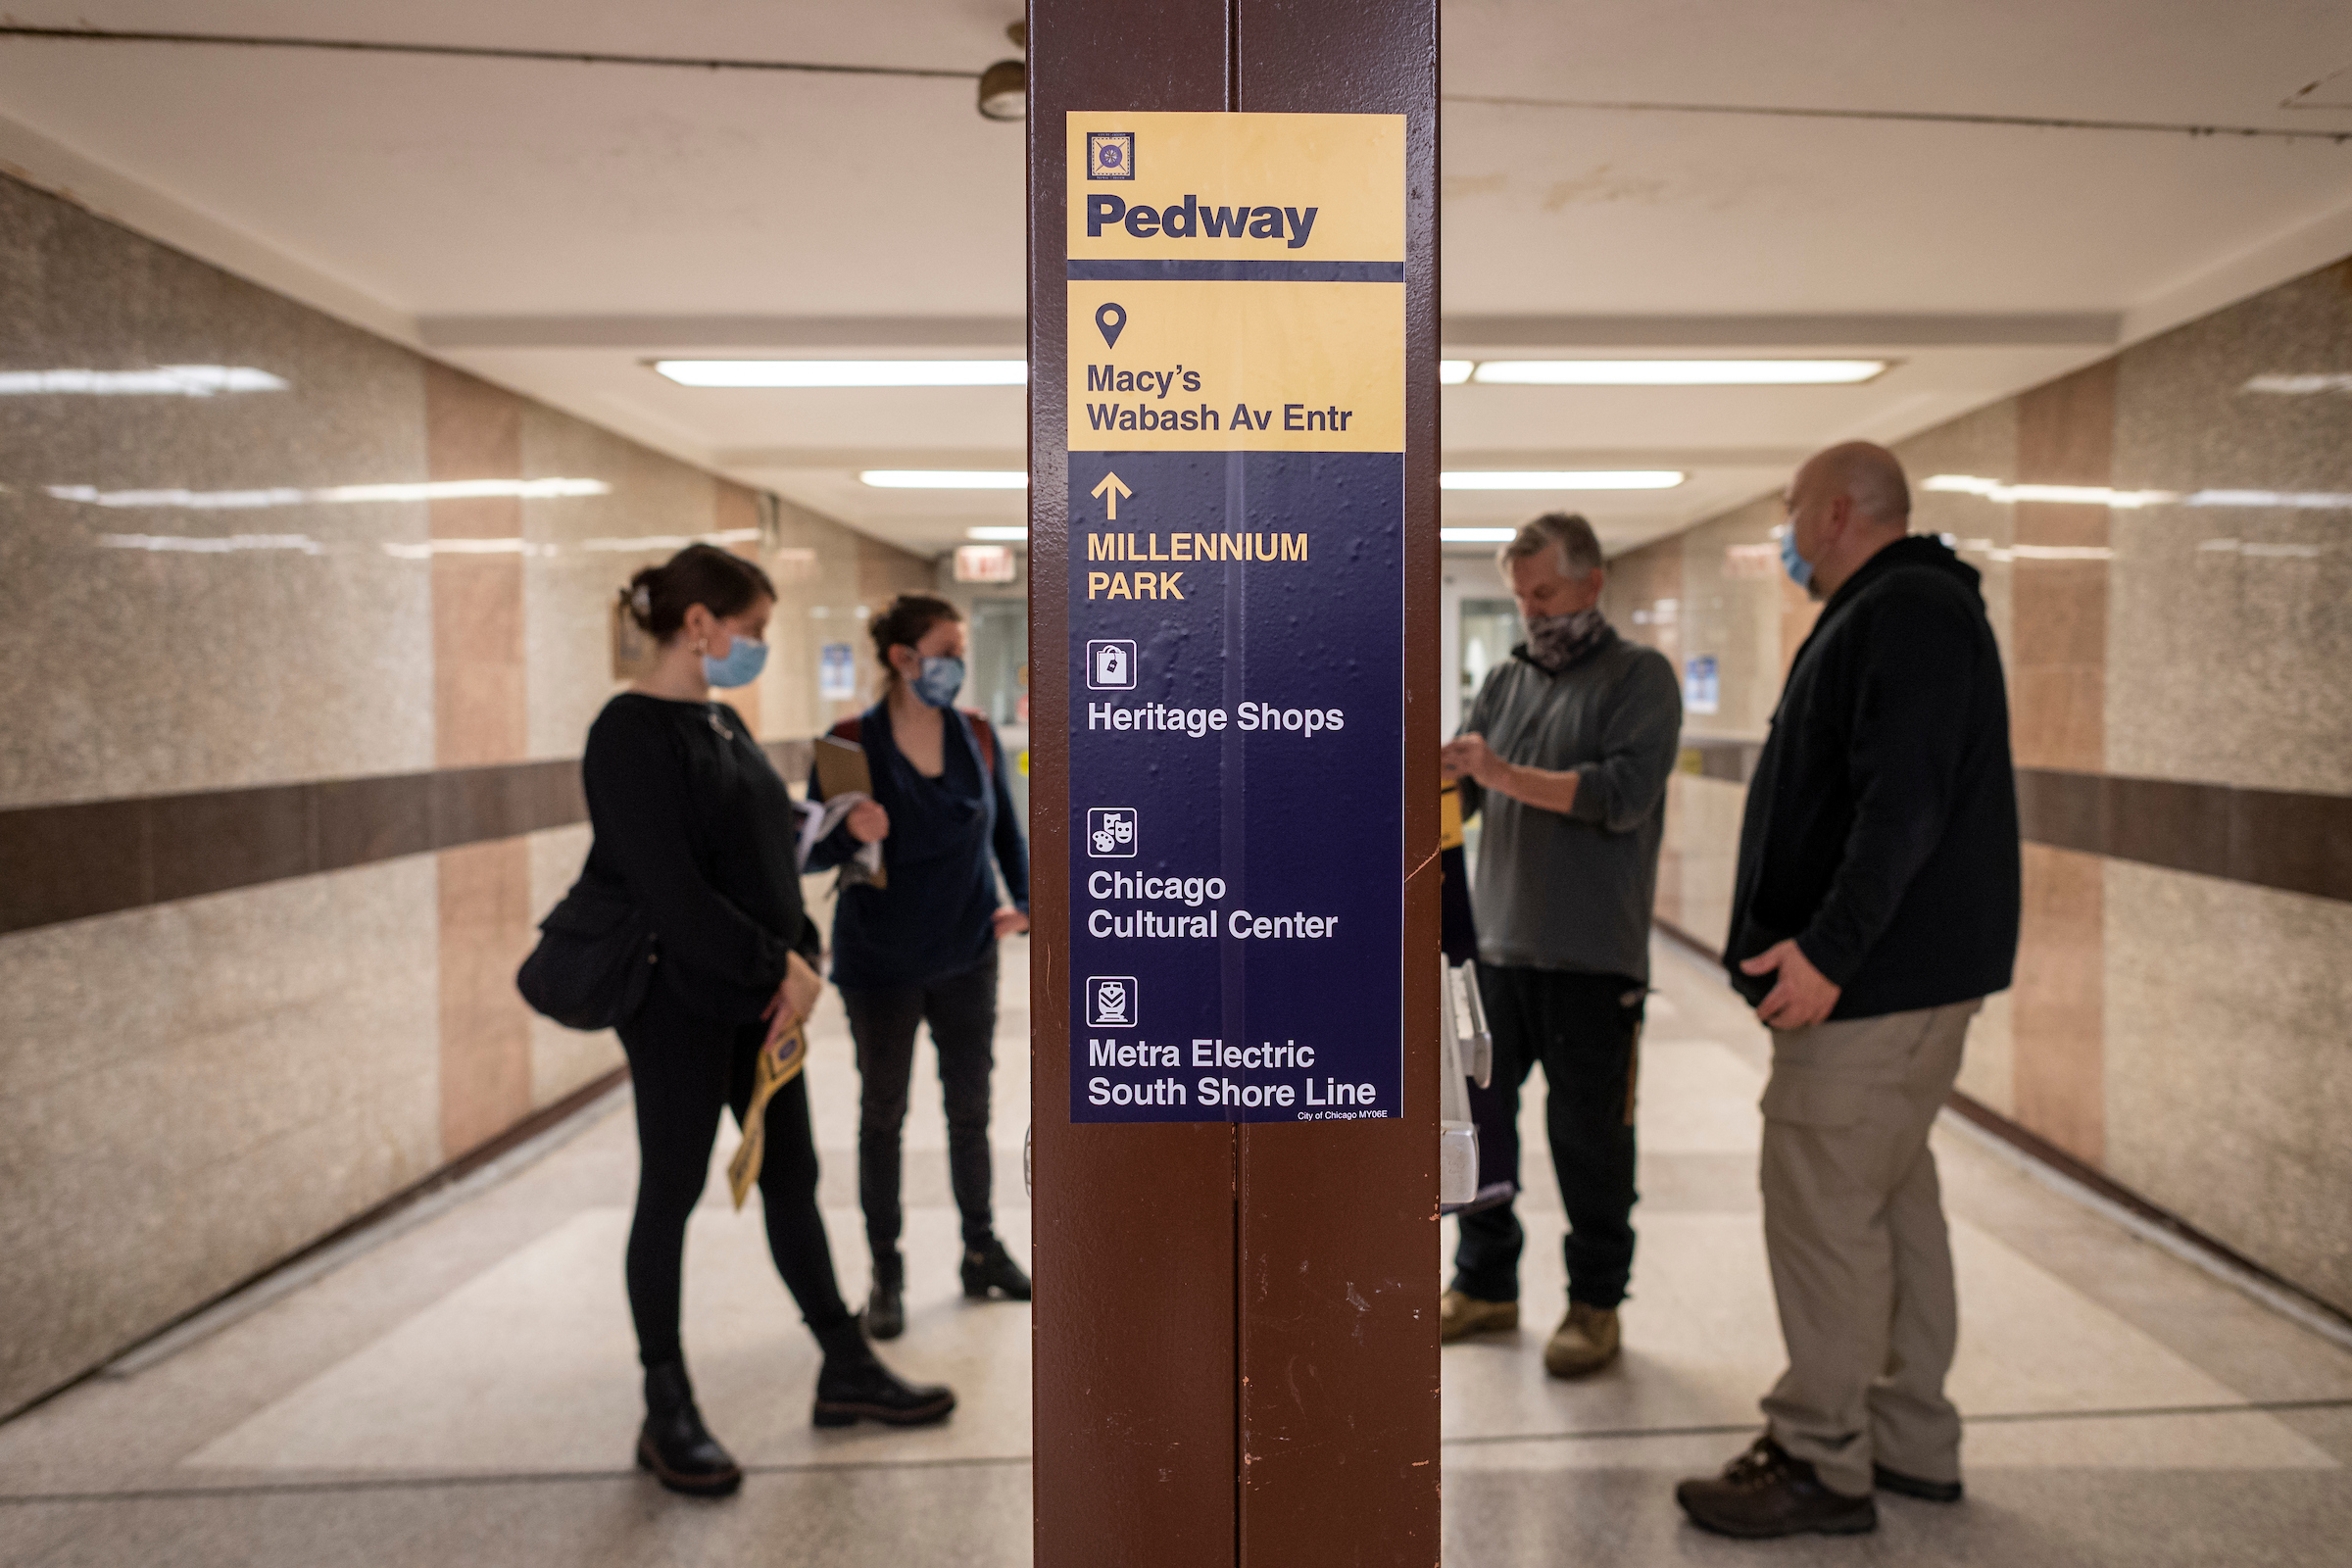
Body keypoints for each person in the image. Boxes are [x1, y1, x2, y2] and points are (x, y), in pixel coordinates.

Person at [1675, 443, 2019, 1539]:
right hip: (1902, 986)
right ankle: (1910, 1436)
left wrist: (1828, 950)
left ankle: (1822, 1457)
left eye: (1787, 511)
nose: (1783, 533)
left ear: (1832, 512)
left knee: (1824, 1205)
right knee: (1890, 1199)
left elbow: (1901, 802)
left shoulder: (1906, 608)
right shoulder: (1900, 605)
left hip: (1874, 990)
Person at [581, 545, 955, 1498]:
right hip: (677, 1003)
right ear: (698, 624)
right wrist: (779, 963)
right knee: (668, 1189)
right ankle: (666, 1407)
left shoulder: (722, 723)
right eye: (750, 633)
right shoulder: (628, 736)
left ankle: (846, 1367)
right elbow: (672, 894)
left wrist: (810, 917)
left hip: (759, 1003)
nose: (755, 650)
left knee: (791, 1176)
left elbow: (762, 853)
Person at [1439, 513, 1682, 1377]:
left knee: (1590, 1143)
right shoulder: (1506, 683)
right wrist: (1447, 778)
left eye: (1543, 591)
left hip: (1591, 959)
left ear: (1592, 582)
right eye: (1518, 596)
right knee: (1483, 1132)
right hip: (1497, 952)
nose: (1531, 611)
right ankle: (1486, 1284)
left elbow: (1621, 794)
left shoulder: (1639, 678)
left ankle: (1594, 1305)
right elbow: (1468, 805)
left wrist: (1498, 772)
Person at [808, 593, 1032, 1341]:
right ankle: (886, 1270)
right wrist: (849, 834)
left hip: (967, 952)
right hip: (881, 964)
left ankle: (980, 1248)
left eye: (961, 651)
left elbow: (1003, 829)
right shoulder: (846, 745)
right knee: (884, 1116)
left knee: (971, 1112)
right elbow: (811, 852)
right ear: (904, 659)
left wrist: (1027, 905)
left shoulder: (975, 735)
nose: (957, 666)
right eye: (945, 651)